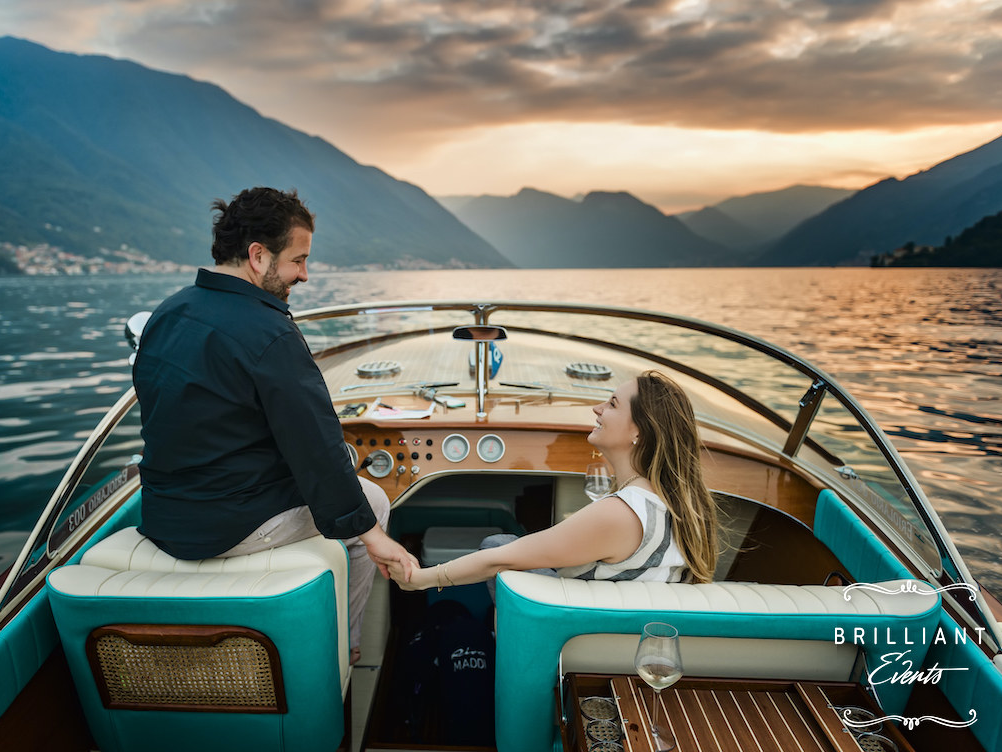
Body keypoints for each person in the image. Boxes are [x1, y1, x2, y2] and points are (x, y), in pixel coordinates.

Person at [132, 186, 417, 662]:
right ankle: (344, 651)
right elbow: (318, 449)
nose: (304, 275)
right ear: (258, 255)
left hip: (164, 515)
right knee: (373, 501)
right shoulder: (270, 332)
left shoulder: (169, 313)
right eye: (298, 261)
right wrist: (373, 536)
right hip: (225, 527)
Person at [388, 370, 718, 592]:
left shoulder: (620, 514)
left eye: (612, 404)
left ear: (639, 432)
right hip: (619, 627)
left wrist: (420, 579)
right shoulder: (672, 501)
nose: (597, 408)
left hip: (580, 636)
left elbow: (501, 560)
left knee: (498, 546)